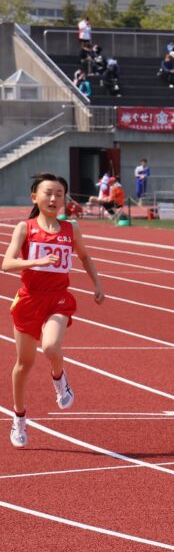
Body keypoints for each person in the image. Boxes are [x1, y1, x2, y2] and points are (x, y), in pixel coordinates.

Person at [4, 173, 106, 448]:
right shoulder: (25, 228)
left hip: (58, 299)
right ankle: (20, 418)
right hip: (29, 300)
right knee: (24, 365)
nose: (53, 198)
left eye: (59, 193)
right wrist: (37, 260)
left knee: (50, 346)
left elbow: (84, 256)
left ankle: (59, 378)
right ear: (34, 197)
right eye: (48, 192)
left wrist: (97, 283)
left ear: (65, 199)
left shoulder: (71, 229)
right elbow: (7, 264)